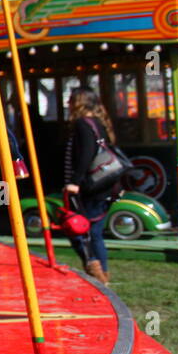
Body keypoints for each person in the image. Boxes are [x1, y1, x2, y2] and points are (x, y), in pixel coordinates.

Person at [62, 87, 121, 283]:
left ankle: (95, 269)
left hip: (91, 186)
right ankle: (102, 273)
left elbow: (87, 154)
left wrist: (74, 182)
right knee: (94, 232)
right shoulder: (98, 123)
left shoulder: (82, 124)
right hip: (105, 185)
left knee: (79, 230)